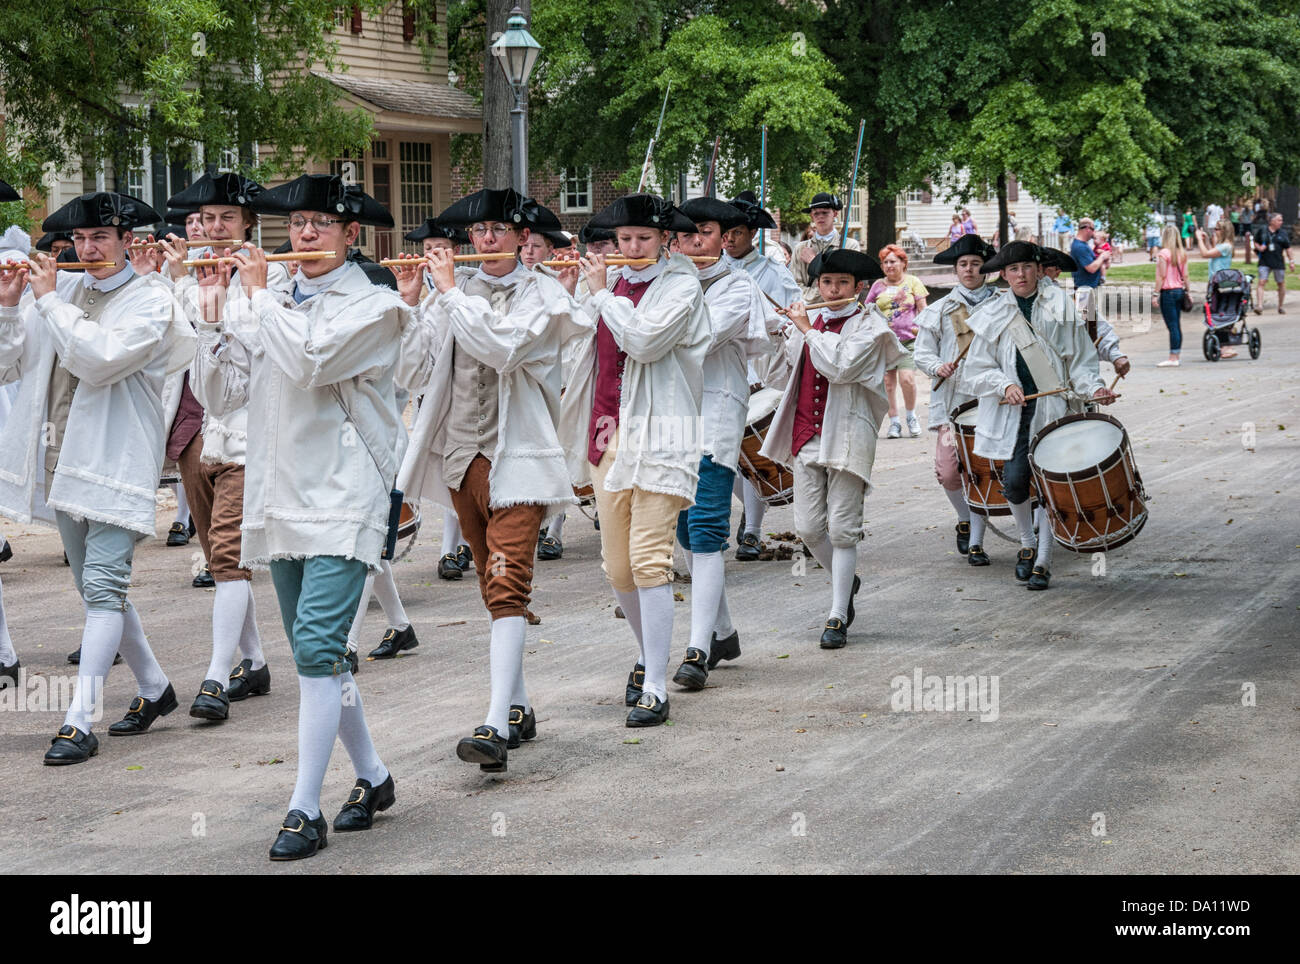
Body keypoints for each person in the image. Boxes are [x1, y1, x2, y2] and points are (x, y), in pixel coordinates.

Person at [199, 173, 422, 859]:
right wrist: (212, 320)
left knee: (321, 651)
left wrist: (257, 297)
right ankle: (375, 776)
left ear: (352, 235)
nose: (305, 237)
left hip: (347, 493)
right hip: (286, 495)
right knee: (313, 659)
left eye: (321, 225)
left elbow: (307, 361)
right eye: (296, 226)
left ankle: (303, 808)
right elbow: (223, 392)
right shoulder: (274, 299)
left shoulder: (376, 306)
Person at [0, 190, 195, 765]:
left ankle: (79, 719)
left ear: (126, 242)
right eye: (78, 241)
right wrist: (10, 306)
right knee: (93, 588)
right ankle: (156, 688)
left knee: (105, 588)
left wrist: (46, 301)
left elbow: (99, 358)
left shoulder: (151, 300)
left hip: (116, 459)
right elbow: (6, 366)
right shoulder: (56, 290)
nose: (86, 250)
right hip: (59, 461)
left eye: (99, 239)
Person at [396, 188, 586, 769]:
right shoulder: (451, 293)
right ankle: (520, 706)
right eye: (477, 232)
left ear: (524, 238)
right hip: (460, 460)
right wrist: (409, 307)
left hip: (518, 462)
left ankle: (493, 724)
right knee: (491, 587)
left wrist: (449, 293)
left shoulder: (546, 296)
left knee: (507, 586)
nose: (485, 241)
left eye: (498, 231)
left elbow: (503, 350)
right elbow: (410, 372)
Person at [557, 193, 710, 727]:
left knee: (649, 561)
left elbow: (644, 342)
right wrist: (570, 288)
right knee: (616, 567)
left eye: (644, 238)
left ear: (666, 239)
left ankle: (656, 686)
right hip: (607, 436)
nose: (632, 248)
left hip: (663, 435)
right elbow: (574, 341)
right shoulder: (612, 282)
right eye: (623, 240)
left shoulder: (683, 285)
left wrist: (601, 295)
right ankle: (649, 658)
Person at [146, 173, 285, 720]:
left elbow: (260, 359)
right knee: (223, 558)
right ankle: (253, 661)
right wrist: (171, 282)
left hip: (252, 438)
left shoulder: (268, 278)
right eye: (206, 219)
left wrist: (230, 300)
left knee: (227, 558)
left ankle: (212, 679)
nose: (214, 228)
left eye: (226, 218)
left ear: (247, 223)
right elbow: (167, 353)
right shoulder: (185, 279)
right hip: (197, 440)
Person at [760, 249, 900, 648]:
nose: (832, 290)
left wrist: (806, 329)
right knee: (807, 528)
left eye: (841, 283)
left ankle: (838, 614)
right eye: (826, 283)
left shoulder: (872, 326)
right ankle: (846, 578)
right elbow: (778, 375)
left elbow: (840, 366)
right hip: (805, 433)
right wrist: (779, 334)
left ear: (859, 288)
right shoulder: (811, 323)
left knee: (841, 529)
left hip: (848, 435)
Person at [963, 241, 1116, 589]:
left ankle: (1043, 561)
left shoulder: (1061, 305)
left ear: (1037, 269)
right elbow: (976, 369)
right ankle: (1027, 544)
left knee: (1050, 487)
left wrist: (1094, 390)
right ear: (1003, 274)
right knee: (1015, 483)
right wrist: (1002, 385)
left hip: (1054, 407)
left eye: (1027, 268)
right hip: (1014, 412)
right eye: (1013, 270)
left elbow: (1079, 361)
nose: (1021, 275)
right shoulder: (993, 312)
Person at [670, 197, 769, 690]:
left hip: (714, 413)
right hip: (666, 416)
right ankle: (724, 632)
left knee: (707, 525)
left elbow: (693, 338)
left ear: (723, 237)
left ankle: (697, 649)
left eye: (703, 232)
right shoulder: (662, 280)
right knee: (685, 530)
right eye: (683, 234)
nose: (692, 242)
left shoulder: (737, 285)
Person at [722, 190, 800, 561]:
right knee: (729, 456)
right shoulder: (708, 270)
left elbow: (795, 313)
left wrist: (780, 324)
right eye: (725, 231)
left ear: (752, 233)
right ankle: (745, 516)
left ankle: (751, 530)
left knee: (754, 450)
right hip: (723, 369)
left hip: (764, 372)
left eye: (737, 231)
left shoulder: (773, 272)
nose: (729, 239)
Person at [913, 233, 998, 560]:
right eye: (963, 264)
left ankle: (977, 537)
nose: (969, 270)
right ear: (955, 269)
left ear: (985, 268)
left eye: (976, 264)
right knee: (949, 471)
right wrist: (938, 367)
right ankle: (965, 518)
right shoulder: (941, 308)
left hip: (992, 401)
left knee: (986, 470)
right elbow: (922, 352)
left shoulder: (1000, 304)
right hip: (952, 404)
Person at [865, 244, 927, 437]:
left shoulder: (913, 281)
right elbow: (867, 311)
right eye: (885, 262)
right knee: (888, 383)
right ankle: (894, 422)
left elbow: (923, 309)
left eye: (893, 261)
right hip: (885, 342)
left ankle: (910, 416)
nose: (889, 265)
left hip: (908, 341)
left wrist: (923, 330)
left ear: (903, 263)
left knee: (907, 379)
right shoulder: (877, 286)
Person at [791, 193, 860, 302]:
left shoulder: (850, 245)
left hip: (841, 310)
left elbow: (852, 287)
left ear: (835, 214)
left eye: (825, 212)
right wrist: (826, 296)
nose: (820, 216)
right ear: (811, 216)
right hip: (810, 310)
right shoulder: (800, 248)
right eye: (816, 213)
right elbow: (795, 287)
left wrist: (815, 262)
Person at [1154, 223, 1189, 367]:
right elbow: (1185, 275)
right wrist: (1188, 291)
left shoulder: (1163, 254)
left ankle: (1173, 357)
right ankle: (1176, 354)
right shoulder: (1182, 253)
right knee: (1177, 325)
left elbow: (1161, 276)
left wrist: (1155, 294)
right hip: (1179, 290)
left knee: (1172, 325)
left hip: (1167, 292)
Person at [1069, 218, 1110, 322]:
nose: (1094, 233)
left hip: (1089, 288)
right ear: (1087, 228)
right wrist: (1102, 257)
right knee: (1088, 322)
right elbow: (1091, 268)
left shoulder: (1083, 245)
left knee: (1091, 322)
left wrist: (1104, 261)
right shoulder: (1080, 247)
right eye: (1093, 229)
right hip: (1085, 289)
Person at [1252, 212, 1293, 314]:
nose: (1281, 222)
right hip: (1264, 261)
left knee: (1280, 283)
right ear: (1272, 221)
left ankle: (1280, 306)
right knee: (1261, 282)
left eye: (1281, 220)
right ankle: (1260, 306)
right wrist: (1259, 247)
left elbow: (1288, 248)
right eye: (1279, 220)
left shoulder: (1283, 233)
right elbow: (1255, 241)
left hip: (1278, 261)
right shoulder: (1262, 230)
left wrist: (1291, 261)